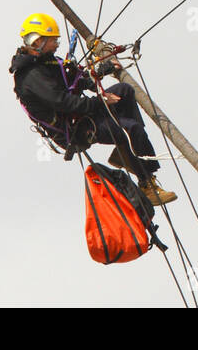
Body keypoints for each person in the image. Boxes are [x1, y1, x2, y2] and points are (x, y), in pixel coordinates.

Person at [10, 13, 177, 206]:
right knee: (131, 130)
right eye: (53, 40)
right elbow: (64, 102)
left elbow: (72, 80)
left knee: (124, 91)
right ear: (37, 41)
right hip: (74, 130)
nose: (57, 44)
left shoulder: (46, 62)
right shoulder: (31, 76)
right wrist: (101, 101)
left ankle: (128, 151)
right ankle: (147, 183)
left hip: (80, 115)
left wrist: (100, 71)